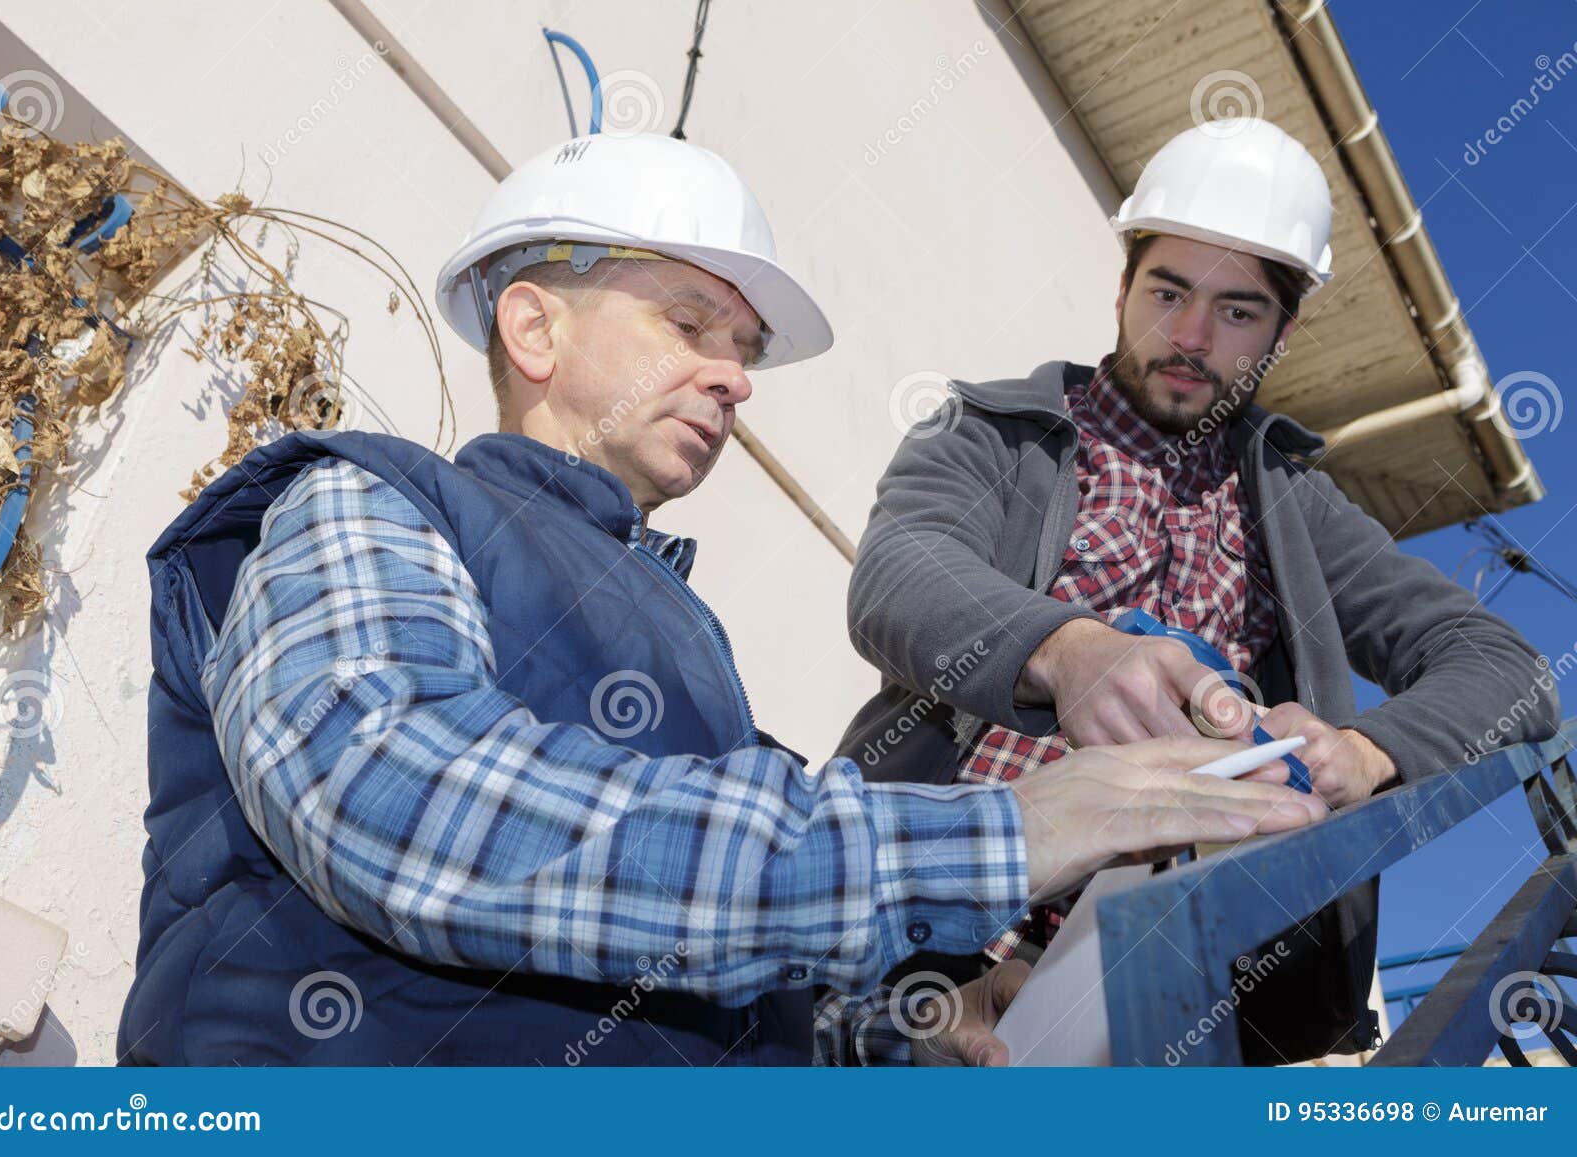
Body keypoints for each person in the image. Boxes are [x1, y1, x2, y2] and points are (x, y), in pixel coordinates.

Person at [119, 131, 1323, 1067]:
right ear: (532, 326)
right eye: (690, 322)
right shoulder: (364, 502)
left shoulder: (684, 643)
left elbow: (709, 951)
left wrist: (897, 1013)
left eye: (741, 344)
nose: (735, 376)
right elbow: (401, 802)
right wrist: (1006, 833)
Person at [838, 117, 1559, 1063]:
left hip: (1159, 996)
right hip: (920, 934)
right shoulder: (992, 433)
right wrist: (1070, 651)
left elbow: (1510, 669)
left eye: (1237, 310)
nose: (1188, 335)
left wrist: (1365, 751)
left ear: (1282, 333)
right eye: (1168, 290)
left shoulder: (1300, 510)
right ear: (1123, 286)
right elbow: (898, 574)